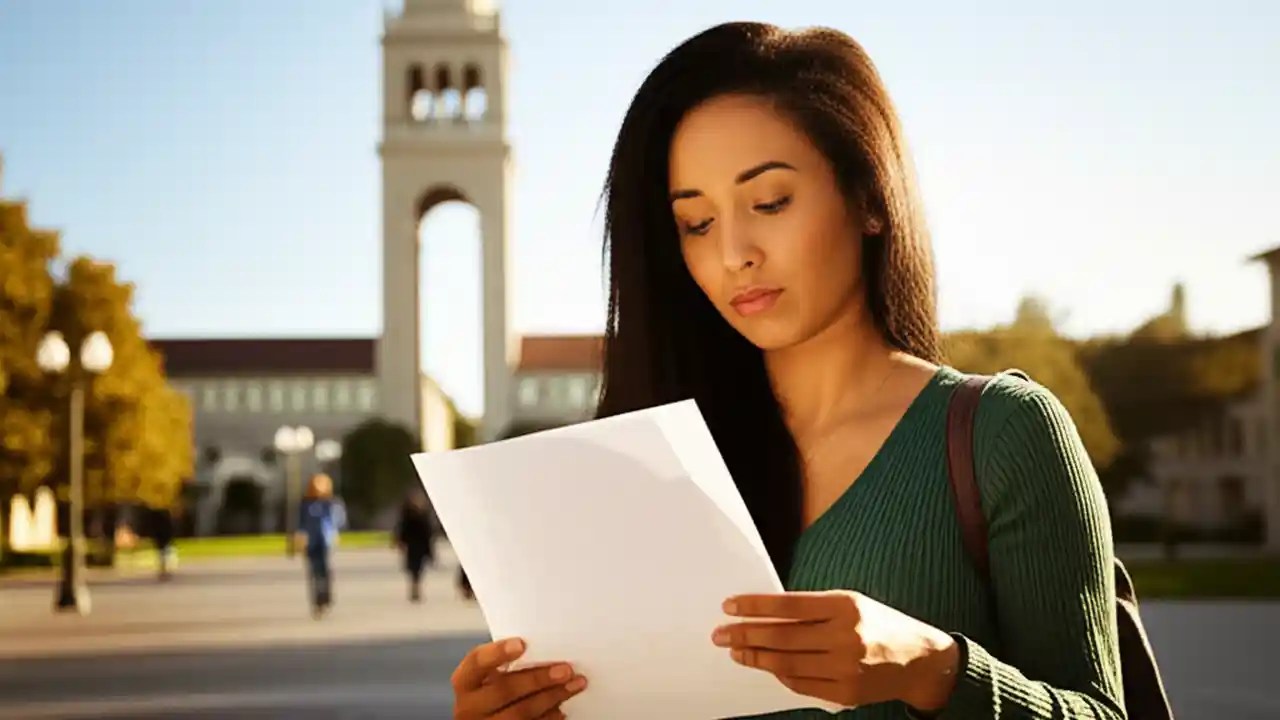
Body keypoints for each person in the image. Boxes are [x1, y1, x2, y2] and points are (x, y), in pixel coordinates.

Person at [447, 21, 1125, 720]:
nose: (734, 251)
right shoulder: (648, 461)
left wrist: (934, 669)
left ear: (867, 198)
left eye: (769, 202)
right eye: (697, 224)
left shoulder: (1003, 435)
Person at [297, 473, 345, 619]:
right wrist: (299, 537)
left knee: (325, 570)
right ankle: (317, 600)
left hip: (326, 541)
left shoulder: (331, 503)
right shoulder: (306, 504)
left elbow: (339, 519)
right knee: (314, 572)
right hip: (311, 542)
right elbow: (301, 523)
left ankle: (326, 596)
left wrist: (334, 532)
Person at [394, 490, 436, 602]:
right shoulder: (408, 514)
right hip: (412, 546)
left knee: (418, 570)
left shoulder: (423, 515)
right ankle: (414, 590)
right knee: (413, 569)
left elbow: (428, 532)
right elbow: (402, 528)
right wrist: (400, 541)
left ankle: (416, 589)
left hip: (421, 546)